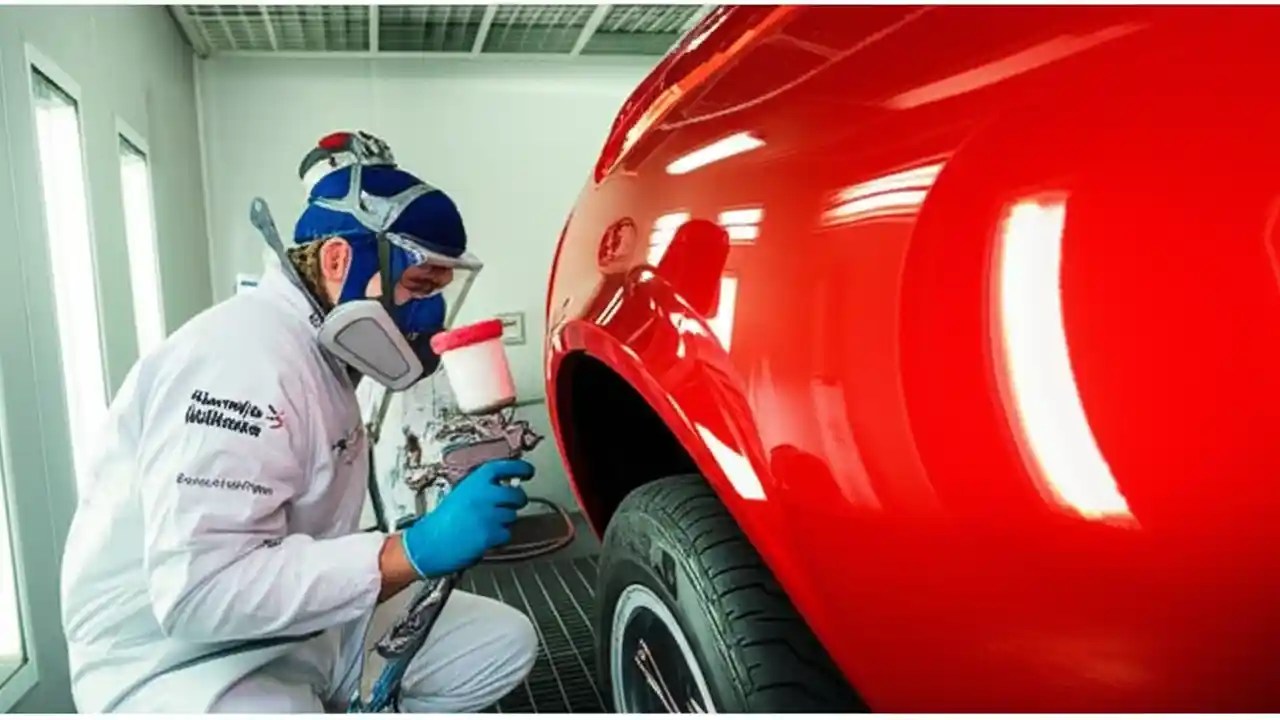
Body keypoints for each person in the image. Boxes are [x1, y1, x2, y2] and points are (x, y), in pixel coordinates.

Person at [59, 131, 538, 712]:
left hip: (307, 628)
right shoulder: (240, 360)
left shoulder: (324, 353)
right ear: (338, 260)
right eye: (417, 286)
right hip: (183, 662)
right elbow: (199, 593)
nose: (429, 313)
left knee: (502, 646)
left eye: (438, 290)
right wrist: (410, 552)